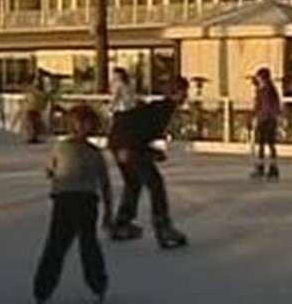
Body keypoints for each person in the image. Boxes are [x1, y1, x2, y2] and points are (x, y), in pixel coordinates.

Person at [33, 104, 112, 304]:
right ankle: (97, 285)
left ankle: (43, 290)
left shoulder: (65, 148)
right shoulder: (87, 151)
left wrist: (56, 177)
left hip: (73, 200)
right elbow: (105, 184)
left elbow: (50, 171)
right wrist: (108, 211)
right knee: (83, 245)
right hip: (77, 201)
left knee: (61, 246)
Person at [107, 76, 189, 249]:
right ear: (176, 93)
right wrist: (149, 153)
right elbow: (139, 134)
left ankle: (122, 222)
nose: (186, 96)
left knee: (133, 182)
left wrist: (148, 152)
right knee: (155, 183)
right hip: (127, 143)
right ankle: (163, 227)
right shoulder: (164, 109)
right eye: (183, 92)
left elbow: (136, 126)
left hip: (118, 141)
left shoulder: (161, 108)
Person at [250, 67, 281, 181]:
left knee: (269, 144)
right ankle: (261, 167)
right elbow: (258, 104)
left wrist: (273, 115)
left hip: (268, 119)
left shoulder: (268, 89)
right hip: (263, 119)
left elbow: (272, 104)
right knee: (262, 144)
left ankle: (272, 168)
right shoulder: (261, 89)